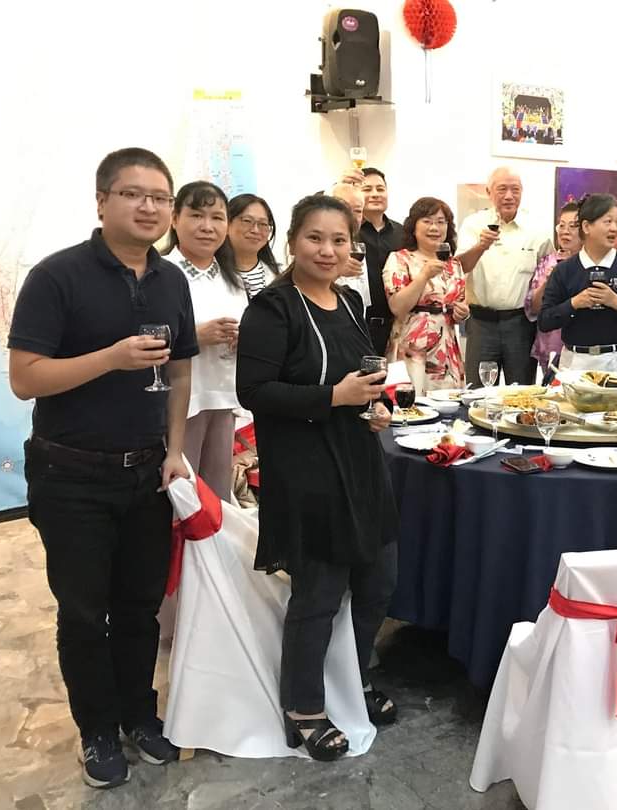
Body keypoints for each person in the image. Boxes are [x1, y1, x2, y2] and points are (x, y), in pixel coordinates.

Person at [7, 147, 197, 788]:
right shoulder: (57, 277)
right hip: (72, 475)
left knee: (140, 605)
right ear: (102, 201)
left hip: (147, 471)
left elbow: (180, 369)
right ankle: (96, 729)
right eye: (133, 194)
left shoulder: (171, 281)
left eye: (160, 197)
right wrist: (109, 358)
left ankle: (139, 715)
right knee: (85, 611)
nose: (149, 207)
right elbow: (25, 380)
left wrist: (174, 450)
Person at [236, 194, 400, 761]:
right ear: (292, 242)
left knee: (379, 580)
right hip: (307, 470)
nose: (328, 251)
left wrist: (377, 406)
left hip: (359, 458)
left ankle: (353, 683)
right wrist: (334, 396)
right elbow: (253, 392)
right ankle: (304, 705)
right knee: (320, 593)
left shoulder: (350, 302)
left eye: (339, 241)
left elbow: (365, 377)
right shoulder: (272, 309)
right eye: (315, 238)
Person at [162, 181, 248, 500]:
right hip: (181, 400)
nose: (207, 227)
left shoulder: (231, 276)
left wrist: (244, 338)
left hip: (223, 394)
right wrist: (196, 336)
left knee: (216, 497)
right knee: (181, 496)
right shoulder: (162, 273)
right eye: (197, 215)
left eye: (217, 217)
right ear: (174, 219)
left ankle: (214, 552)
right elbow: (140, 339)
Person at [538, 193, 617, 372]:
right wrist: (574, 303)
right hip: (575, 362)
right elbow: (545, 321)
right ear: (586, 226)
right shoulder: (564, 270)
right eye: (608, 222)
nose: (615, 229)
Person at [458, 167, 550, 386]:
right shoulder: (473, 225)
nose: (509, 196)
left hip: (520, 323)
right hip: (481, 322)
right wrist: (481, 245)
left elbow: (550, 272)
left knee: (520, 393)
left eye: (515, 190)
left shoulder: (537, 229)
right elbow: (460, 266)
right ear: (489, 192)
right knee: (477, 392)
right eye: (502, 189)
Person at [384, 197, 470, 392]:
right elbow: (397, 307)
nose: (435, 228)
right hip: (412, 347)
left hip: (446, 347)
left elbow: (461, 304)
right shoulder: (399, 259)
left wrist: (462, 313)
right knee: (411, 407)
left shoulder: (454, 264)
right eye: (427, 221)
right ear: (413, 226)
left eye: (441, 222)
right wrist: (423, 276)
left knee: (449, 407)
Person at [525, 202, 581, 379]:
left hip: (582, 347)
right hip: (550, 344)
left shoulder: (589, 264)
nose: (565, 231)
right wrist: (548, 282)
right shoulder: (547, 261)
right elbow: (533, 308)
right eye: (561, 225)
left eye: (573, 226)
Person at [359, 168, 404, 356]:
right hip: (360, 324)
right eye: (367, 189)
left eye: (380, 189)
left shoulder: (402, 232)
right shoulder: (348, 232)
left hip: (398, 325)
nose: (375, 194)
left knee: (397, 382)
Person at [227, 193, 280, 302]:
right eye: (247, 221)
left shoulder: (279, 276)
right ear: (227, 224)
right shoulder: (213, 273)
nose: (255, 230)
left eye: (263, 224)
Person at [330, 182, 371, 309]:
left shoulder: (358, 249)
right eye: (345, 208)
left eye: (358, 211)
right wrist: (336, 272)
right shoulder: (313, 246)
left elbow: (363, 304)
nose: (352, 216)